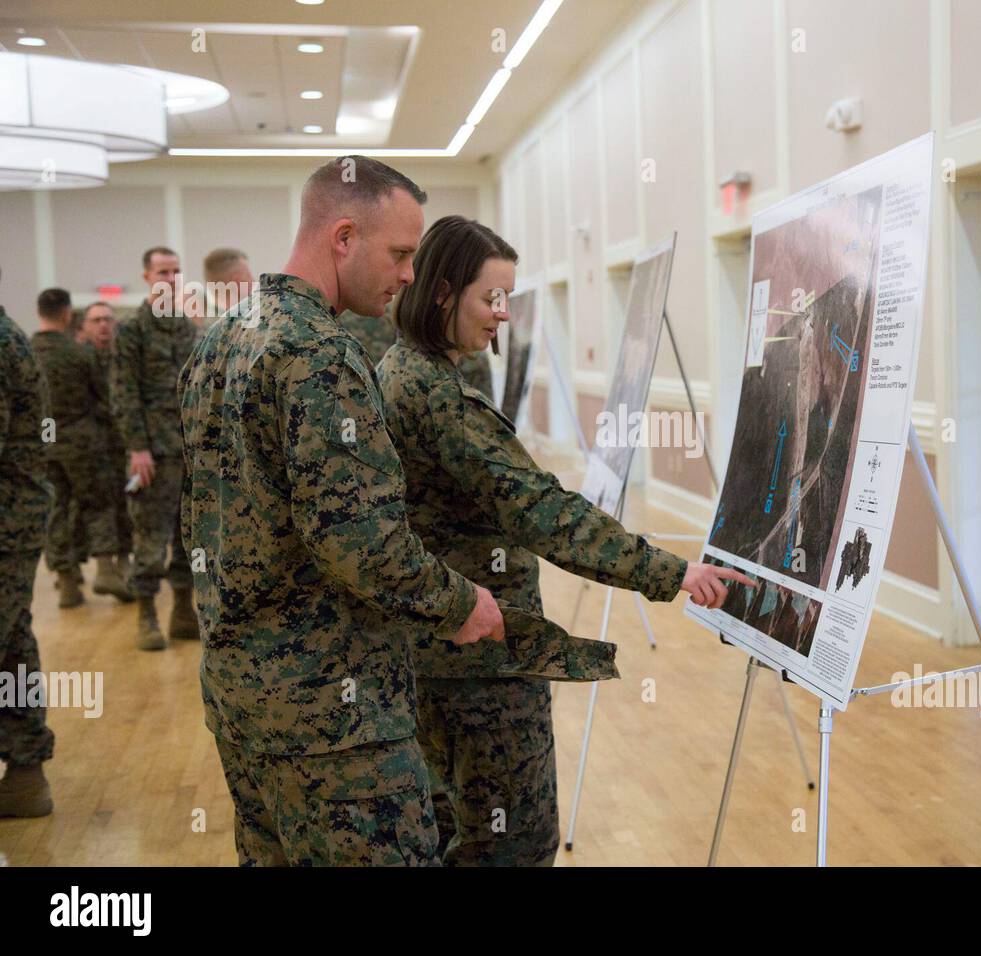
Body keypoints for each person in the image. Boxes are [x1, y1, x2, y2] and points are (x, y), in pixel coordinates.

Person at [377, 215, 755, 866]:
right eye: (489, 298)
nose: (502, 315)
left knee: (453, 831)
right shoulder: (435, 395)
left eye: (508, 298)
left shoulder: (401, 367)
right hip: (480, 668)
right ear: (442, 292)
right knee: (512, 843)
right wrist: (671, 572)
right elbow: (540, 512)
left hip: (440, 655)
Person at [179, 156, 505, 867]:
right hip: (334, 718)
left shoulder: (220, 340)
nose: (411, 275)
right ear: (344, 237)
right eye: (399, 254)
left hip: (242, 698)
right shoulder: (319, 353)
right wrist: (460, 604)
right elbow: (363, 544)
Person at [111, 246, 198, 649]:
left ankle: (183, 612)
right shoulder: (131, 330)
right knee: (150, 533)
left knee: (189, 535)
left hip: (189, 449)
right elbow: (124, 393)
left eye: (177, 271)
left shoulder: (184, 327)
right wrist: (137, 449)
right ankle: (146, 613)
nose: (172, 278)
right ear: (147, 277)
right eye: (163, 271)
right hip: (153, 453)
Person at [29, 288, 132, 607]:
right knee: (98, 503)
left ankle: (68, 579)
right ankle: (104, 570)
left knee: (57, 509)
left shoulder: (27, 352)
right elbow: (104, 398)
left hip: (43, 444)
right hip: (84, 441)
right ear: (68, 315)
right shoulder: (80, 354)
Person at [0, 267, 56, 817]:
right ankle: (24, 772)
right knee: (11, 647)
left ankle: (25, 772)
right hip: (13, 522)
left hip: (6, 525)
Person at [83, 302, 134, 582]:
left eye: (107, 319)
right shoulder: (80, 360)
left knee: (127, 502)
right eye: (96, 320)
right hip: (93, 445)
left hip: (123, 443)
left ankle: (125, 559)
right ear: (85, 326)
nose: (103, 325)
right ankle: (102, 568)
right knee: (100, 504)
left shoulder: (124, 356)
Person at [202, 247, 255, 333]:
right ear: (238, 281)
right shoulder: (241, 327)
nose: (253, 281)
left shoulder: (202, 324)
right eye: (248, 275)